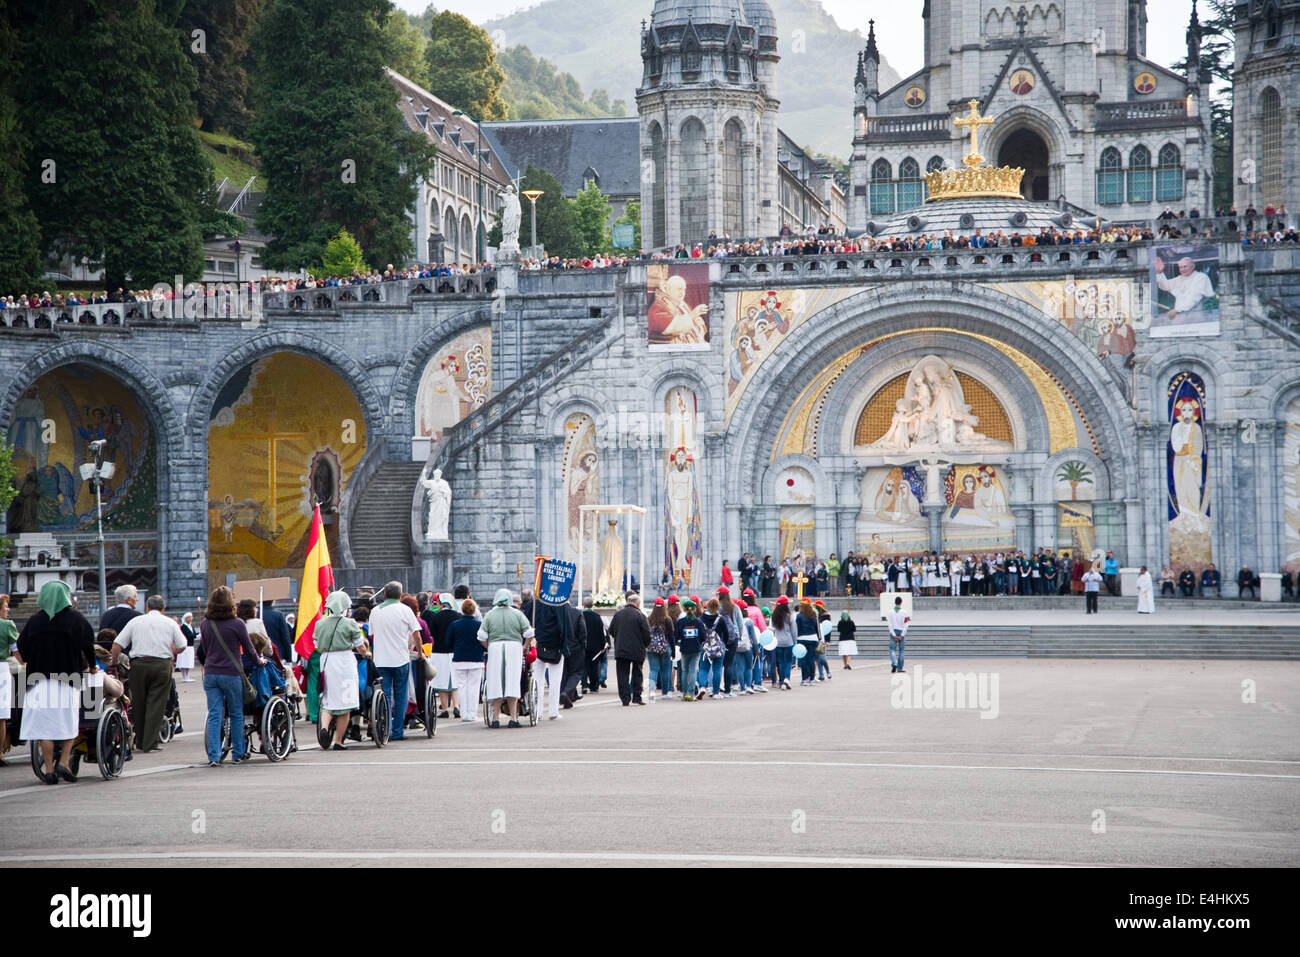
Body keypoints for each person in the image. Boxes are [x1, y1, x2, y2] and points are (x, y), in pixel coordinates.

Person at [17, 582, 97, 784]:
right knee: (68, 722)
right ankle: (64, 762)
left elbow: (21, 649)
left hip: (38, 680)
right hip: (67, 679)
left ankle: (50, 770)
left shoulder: (35, 621)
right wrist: (93, 666)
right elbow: (88, 645)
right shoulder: (76, 620)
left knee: (44, 726)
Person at [196, 586, 263, 767]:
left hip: (211, 674)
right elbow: (249, 650)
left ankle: (214, 755)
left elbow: (202, 651)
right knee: (236, 713)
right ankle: (238, 753)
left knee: (215, 715)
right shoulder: (237, 624)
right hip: (231, 674)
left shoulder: (205, 624)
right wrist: (259, 662)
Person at [111, 594, 187, 753]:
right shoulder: (170, 623)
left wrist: (115, 661)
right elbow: (182, 645)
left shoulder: (135, 621)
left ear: (146, 607)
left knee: (138, 702)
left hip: (138, 664)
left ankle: (139, 739)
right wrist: (172, 650)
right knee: (156, 703)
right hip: (161, 665)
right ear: (163, 608)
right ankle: (149, 743)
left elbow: (117, 643)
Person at [314, 591, 370, 751]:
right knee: (345, 703)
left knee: (328, 699)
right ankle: (338, 741)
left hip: (326, 660)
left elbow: (316, 646)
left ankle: (324, 727)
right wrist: (366, 654)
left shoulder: (320, 624)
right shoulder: (349, 623)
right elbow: (360, 646)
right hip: (344, 661)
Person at [368, 581, 423, 741]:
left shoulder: (375, 611)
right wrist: (420, 652)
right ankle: (398, 731)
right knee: (401, 695)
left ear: (384, 594)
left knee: (385, 695)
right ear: (400, 595)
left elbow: (372, 635)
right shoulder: (405, 610)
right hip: (400, 658)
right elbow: (416, 635)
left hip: (381, 659)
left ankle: (386, 729)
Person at [480, 588, 530, 727]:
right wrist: (524, 646)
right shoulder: (517, 614)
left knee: (496, 681)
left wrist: (488, 646)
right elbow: (529, 633)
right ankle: (513, 718)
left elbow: (481, 636)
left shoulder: (489, 615)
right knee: (512, 681)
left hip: (495, 648)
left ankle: (495, 718)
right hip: (514, 648)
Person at [609, 591, 651, 706]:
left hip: (621, 649)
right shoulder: (640, 615)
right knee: (637, 673)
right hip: (637, 649)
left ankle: (625, 698)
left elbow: (611, 630)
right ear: (638, 604)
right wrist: (645, 644)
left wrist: (618, 638)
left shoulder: (618, 614)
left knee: (622, 674)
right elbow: (646, 633)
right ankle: (637, 697)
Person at [449, 599, 488, 722]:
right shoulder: (479, 625)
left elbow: (448, 641)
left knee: (461, 686)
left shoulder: (455, 624)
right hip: (475, 659)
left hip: (459, 658)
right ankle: (472, 713)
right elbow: (483, 641)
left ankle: (464, 713)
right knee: (474, 687)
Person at [425, 593, 461, 719]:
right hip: (454, 651)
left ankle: (445, 709)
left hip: (439, 651)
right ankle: (456, 706)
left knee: (442, 681)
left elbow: (432, 634)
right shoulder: (458, 616)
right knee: (454, 681)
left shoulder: (436, 617)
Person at [673, 597, 704, 701]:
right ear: (694, 609)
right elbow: (703, 637)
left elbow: (676, 636)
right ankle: (691, 694)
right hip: (696, 649)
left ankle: (684, 693)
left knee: (685, 671)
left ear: (685, 609)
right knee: (693, 671)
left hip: (684, 648)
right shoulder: (698, 622)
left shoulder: (680, 622)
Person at [0, 594, 18, 764]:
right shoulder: (7, 626)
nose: (8, 609)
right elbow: (16, 650)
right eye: (5, 606)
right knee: (2, 717)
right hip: (1, 669)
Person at [645, 598, 675, 699]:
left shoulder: (649, 619)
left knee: (653, 670)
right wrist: (673, 651)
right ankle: (664, 693)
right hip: (665, 648)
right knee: (665, 670)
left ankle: (652, 691)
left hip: (651, 648)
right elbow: (671, 637)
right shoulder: (667, 619)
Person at [581, 596, 608, 693]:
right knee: (594, 666)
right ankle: (594, 685)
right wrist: (602, 646)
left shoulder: (581, 615)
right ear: (592, 605)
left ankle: (584, 685)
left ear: (584, 605)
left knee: (584, 666)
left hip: (583, 645)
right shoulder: (597, 617)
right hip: (595, 646)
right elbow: (601, 633)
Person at [769, 597, 796, 690]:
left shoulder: (774, 616)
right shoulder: (789, 616)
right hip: (788, 641)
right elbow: (794, 631)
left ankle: (781, 681)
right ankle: (786, 679)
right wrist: (795, 641)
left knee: (781, 662)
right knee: (788, 661)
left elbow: (771, 629)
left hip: (777, 642)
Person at [794, 601, 819, 687]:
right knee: (811, 659)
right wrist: (819, 638)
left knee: (803, 660)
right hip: (813, 638)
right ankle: (812, 679)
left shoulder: (799, 616)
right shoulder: (814, 615)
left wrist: (796, 639)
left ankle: (804, 679)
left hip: (802, 639)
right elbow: (817, 628)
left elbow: (796, 628)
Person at [887, 596, 908, 674]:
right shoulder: (904, 612)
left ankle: (894, 663)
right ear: (901, 602)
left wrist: (893, 634)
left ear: (895, 602)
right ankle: (900, 668)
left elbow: (890, 624)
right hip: (901, 631)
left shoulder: (890, 612)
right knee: (901, 651)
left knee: (892, 649)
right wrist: (902, 635)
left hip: (894, 631)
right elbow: (906, 624)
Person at [177, 612, 197, 682]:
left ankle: (187, 676)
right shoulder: (183, 626)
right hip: (185, 646)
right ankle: (184, 676)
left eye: (191, 617)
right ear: (186, 618)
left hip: (190, 646)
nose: (191, 619)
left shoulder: (191, 626)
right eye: (189, 617)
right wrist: (196, 635)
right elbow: (189, 635)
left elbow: (193, 633)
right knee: (184, 662)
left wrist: (196, 634)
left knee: (188, 662)